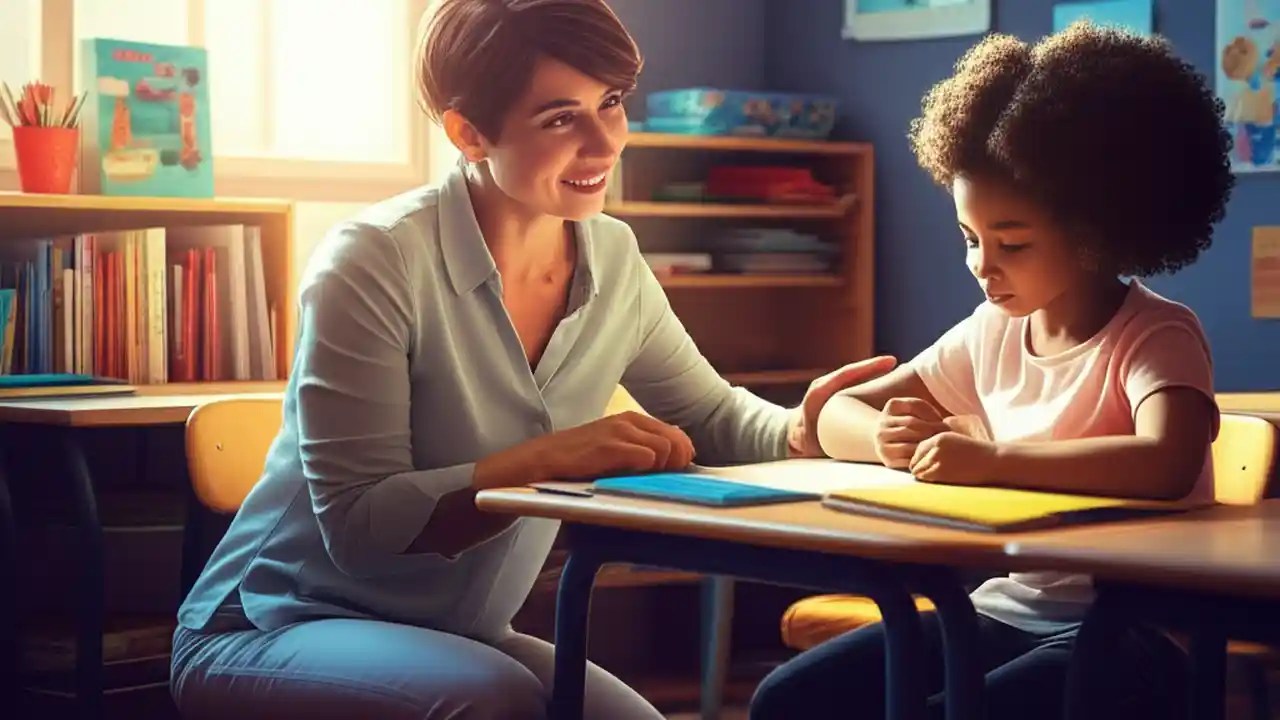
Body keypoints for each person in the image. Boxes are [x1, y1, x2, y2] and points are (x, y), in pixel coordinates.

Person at [168, 1, 895, 718]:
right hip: (272, 627)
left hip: (457, 638)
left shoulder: (613, 256)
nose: (606, 142)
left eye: (610, 103)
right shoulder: (373, 261)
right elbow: (361, 530)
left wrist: (808, 425)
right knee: (496, 702)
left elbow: (713, 416)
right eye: (560, 118)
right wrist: (553, 459)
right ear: (469, 133)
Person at [749, 21, 1235, 720]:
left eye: (1012, 242)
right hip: (1003, 613)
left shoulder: (1156, 334)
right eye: (970, 238)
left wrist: (994, 460)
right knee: (788, 700)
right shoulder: (993, 331)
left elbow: (1166, 459)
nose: (982, 264)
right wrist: (887, 440)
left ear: (1099, 229)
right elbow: (833, 411)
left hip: (1133, 630)